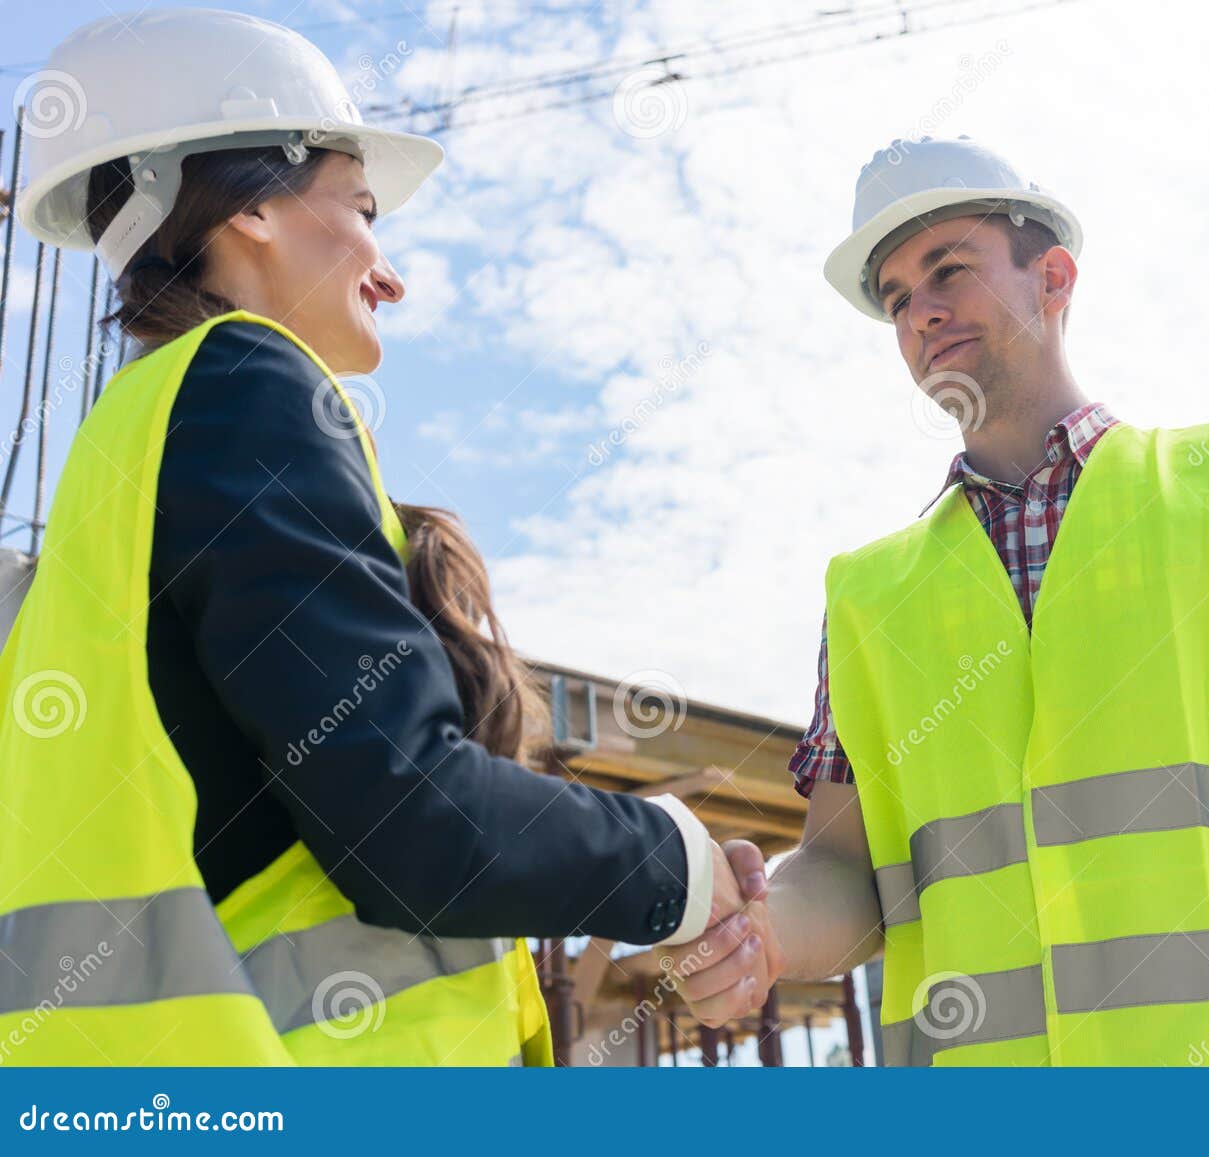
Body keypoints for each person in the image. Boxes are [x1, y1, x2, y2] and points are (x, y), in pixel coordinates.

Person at [0, 8, 777, 1066]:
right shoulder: (246, 382)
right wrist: (684, 866)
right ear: (256, 208)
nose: (390, 270)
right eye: (361, 208)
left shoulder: (120, 455)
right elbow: (410, 813)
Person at [664, 135, 1209, 1066]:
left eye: (947, 270)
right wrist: (760, 936)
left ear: (1052, 277)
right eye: (895, 299)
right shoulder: (867, 597)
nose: (920, 313)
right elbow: (847, 870)